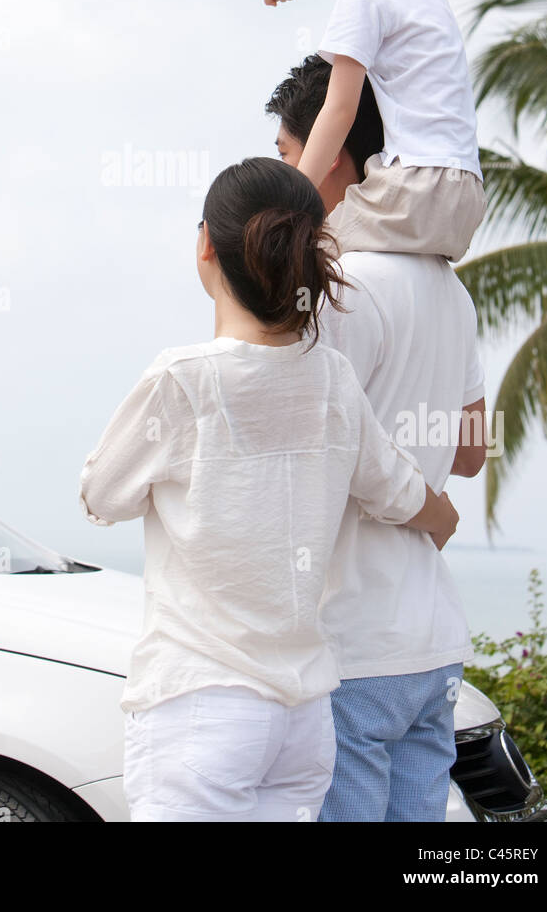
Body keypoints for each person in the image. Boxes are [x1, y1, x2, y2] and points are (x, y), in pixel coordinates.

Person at [78, 156, 459, 823]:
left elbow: (100, 496)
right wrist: (443, 517)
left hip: (203, 703)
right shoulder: (333, 380)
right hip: (303, 717)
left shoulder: (183, 379)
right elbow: (400, 494)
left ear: (206, 245)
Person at [265, 55, 487, 822]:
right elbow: (470, 452)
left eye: (293, 157)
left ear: (342, 160)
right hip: (431, 644)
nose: (289, 180)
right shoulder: (449, 288)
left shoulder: (344, 291)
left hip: (353, 644)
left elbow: (311, 451)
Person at [253, 0, 486, 263]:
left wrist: (296, 203)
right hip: (465, 194)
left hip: (414, 186)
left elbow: (339, 110)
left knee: (305, 253)